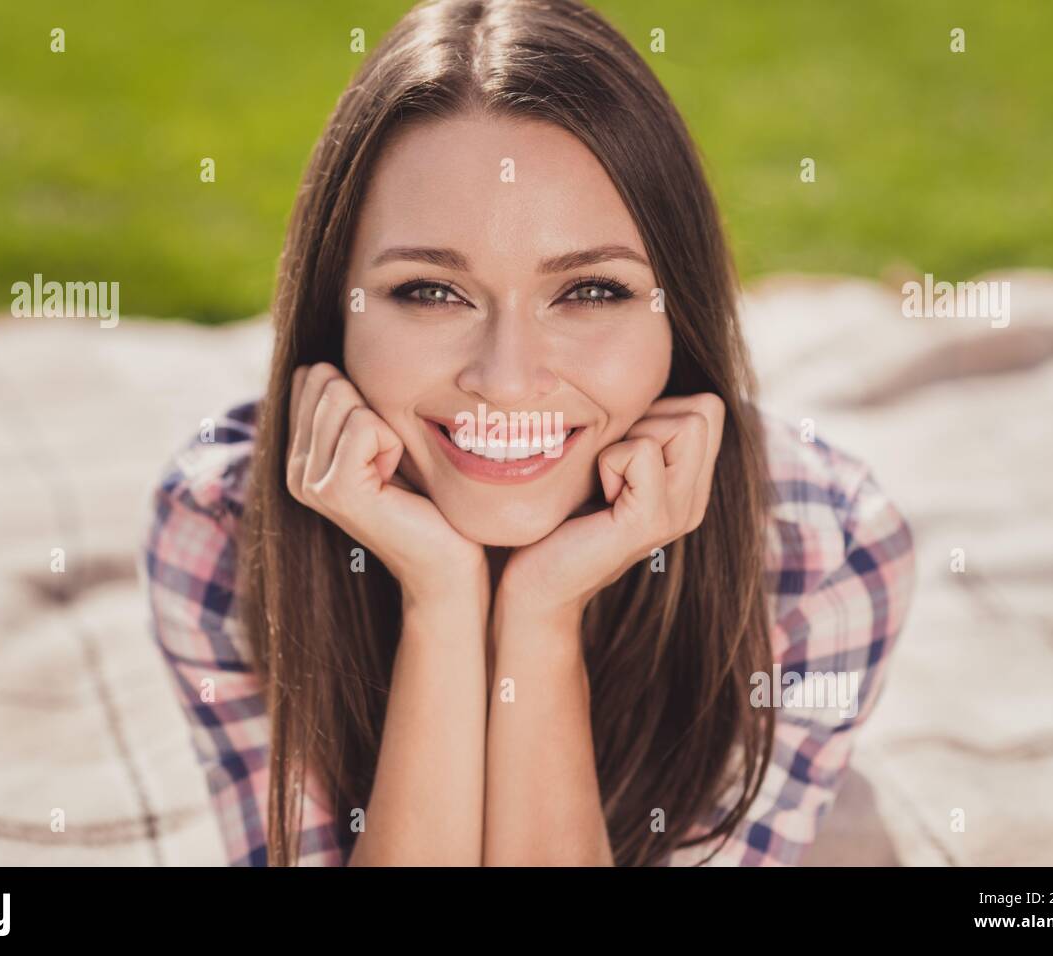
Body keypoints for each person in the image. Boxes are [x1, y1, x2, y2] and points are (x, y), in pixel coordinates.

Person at [142, 0, 915, 866]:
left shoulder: (824, 555)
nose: (506, 381)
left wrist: (542, 617)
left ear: (679, 313)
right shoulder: (215, 527)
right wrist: (441, 599)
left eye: (589, 291)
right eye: (432, 292)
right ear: (336, 312)